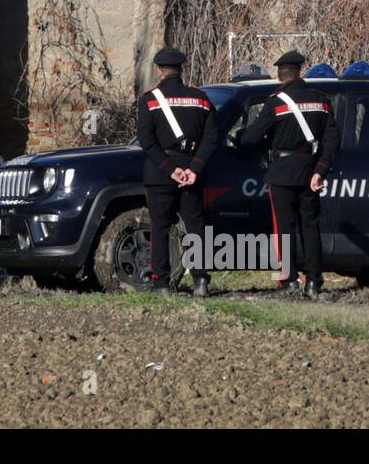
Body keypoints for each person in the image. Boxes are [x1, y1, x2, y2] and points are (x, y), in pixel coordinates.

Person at [236, 50, 339, 299]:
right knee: (310, 228)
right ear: (299, 72)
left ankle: (289, 280)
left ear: (281, 75)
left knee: (283, 229)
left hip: (282, 172)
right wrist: (321, 170)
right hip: (311, 172)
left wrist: (242, 137)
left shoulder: (276, 102)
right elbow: (332, 139)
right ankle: (314, 281)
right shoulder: (321, 100)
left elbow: (250, 138)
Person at [136, 46, 218, 297]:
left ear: (159, 71)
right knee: (195, 226)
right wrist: (193, 168)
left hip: (161, 172)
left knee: (160, 228)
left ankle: (161, 282)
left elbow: (147, 141)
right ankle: (201, 280)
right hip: (192, 171)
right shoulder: (201, 99)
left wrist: (171, 170)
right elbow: (212, 137)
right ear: (181, 70)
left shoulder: (149, 101)